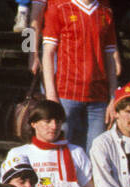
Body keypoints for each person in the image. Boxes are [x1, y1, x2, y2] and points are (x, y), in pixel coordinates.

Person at [41, 0, 120, 150]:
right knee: (62, 152)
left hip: (98, 97)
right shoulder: (59, 9)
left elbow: (110, 56)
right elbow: (47, 50)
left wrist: (113, 96)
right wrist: (51, 94)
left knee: (97, 155)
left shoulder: (105, 12)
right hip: (66, 94)